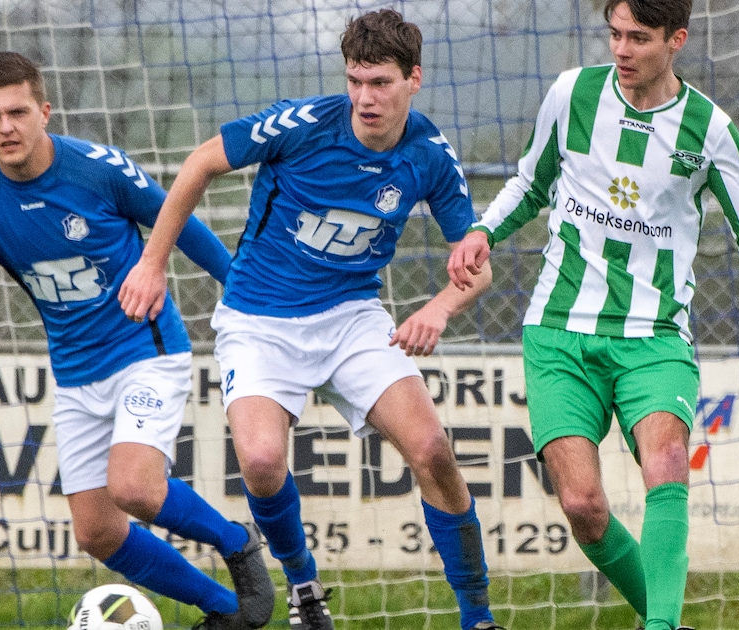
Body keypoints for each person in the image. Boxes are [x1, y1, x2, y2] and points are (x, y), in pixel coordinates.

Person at [119, 9, 503, 630]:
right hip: (259, 319)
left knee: (432, 449)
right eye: (355, 80)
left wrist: (439, 307)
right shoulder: (301, 125)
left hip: (352, 317)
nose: (364, 97)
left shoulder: (429, 154)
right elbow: (197, 165)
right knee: (264, 462)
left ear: (414, 80)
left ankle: (477, 618)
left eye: (380, 82)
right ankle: (304, 590)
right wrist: (152, 263)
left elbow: (478, 265)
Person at [0, 51, 275, 630]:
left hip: (146, 352)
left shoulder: (98, 169)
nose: (6, 128)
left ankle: (238, 544)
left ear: (44, 111)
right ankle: (224, 612)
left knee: (135, 488)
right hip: (74, 374)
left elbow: (183, 224)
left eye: (17, 112)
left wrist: (243, 294)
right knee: (96, 531)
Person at [446, 0, 739, 628]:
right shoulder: (571, 93)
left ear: (677, 40)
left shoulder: (709, 128)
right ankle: (664, 617)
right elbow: (530, 182)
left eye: (638, 37)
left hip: (655, 336)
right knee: (584, 507)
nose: (622, 49)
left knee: (668, 464)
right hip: (559, 332)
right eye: (614, 33)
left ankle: (660, 626)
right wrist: (482, 232)